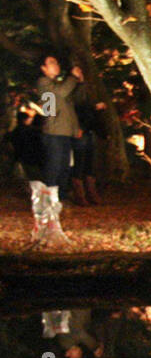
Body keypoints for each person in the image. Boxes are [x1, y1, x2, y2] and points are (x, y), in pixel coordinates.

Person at [34, 54, 81, 241]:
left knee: (64, 169)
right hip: (54, 134)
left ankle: (57, 203)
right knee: (54, 169)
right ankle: (47, 207)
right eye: (52, 63)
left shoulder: (60, 84)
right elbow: (59, 97)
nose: (56, 65)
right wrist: (73, 77)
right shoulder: (44, 83)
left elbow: (69, 104)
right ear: (43, 68)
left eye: (57, 61)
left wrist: (76, 128)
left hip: (65, 133)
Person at [68, 65, 105, 206]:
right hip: (80, 130)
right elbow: (78, 108)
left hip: (88, 130)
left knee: (89, 162)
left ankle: (90, 193)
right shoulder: (72, 91)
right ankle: (80, 195)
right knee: (80, 162)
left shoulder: (85, 91)